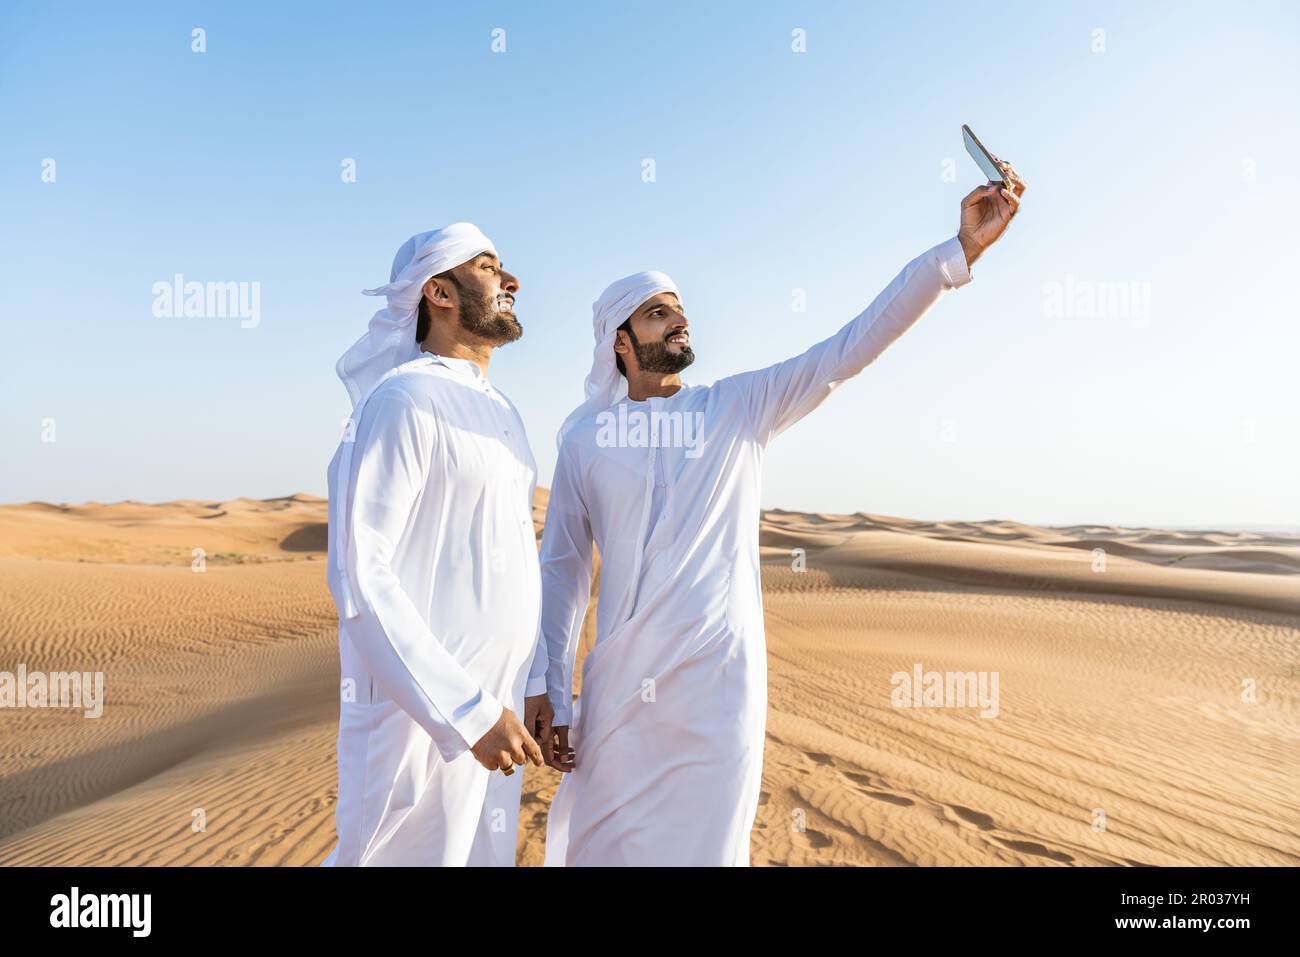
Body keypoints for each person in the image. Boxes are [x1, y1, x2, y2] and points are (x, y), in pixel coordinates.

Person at [539, 163, 1026, 865]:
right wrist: (549, 684)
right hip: (618, 695)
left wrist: (957, 254)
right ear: (621, 342)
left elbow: (850, 347)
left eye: (679, 309)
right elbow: (562, 569)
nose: (679, 319)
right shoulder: (583, 440)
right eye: (658, 311)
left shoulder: (739, 407)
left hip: (717, 694)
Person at [320, 222, 554, 866]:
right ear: (438, 292)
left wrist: (529, 682)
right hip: (419, 719)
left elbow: (513, 556)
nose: (512, 281)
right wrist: (466, 711)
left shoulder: (504, 411)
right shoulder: (403, 400)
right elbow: (361, 576)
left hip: (496, 713)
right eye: (488, 267)